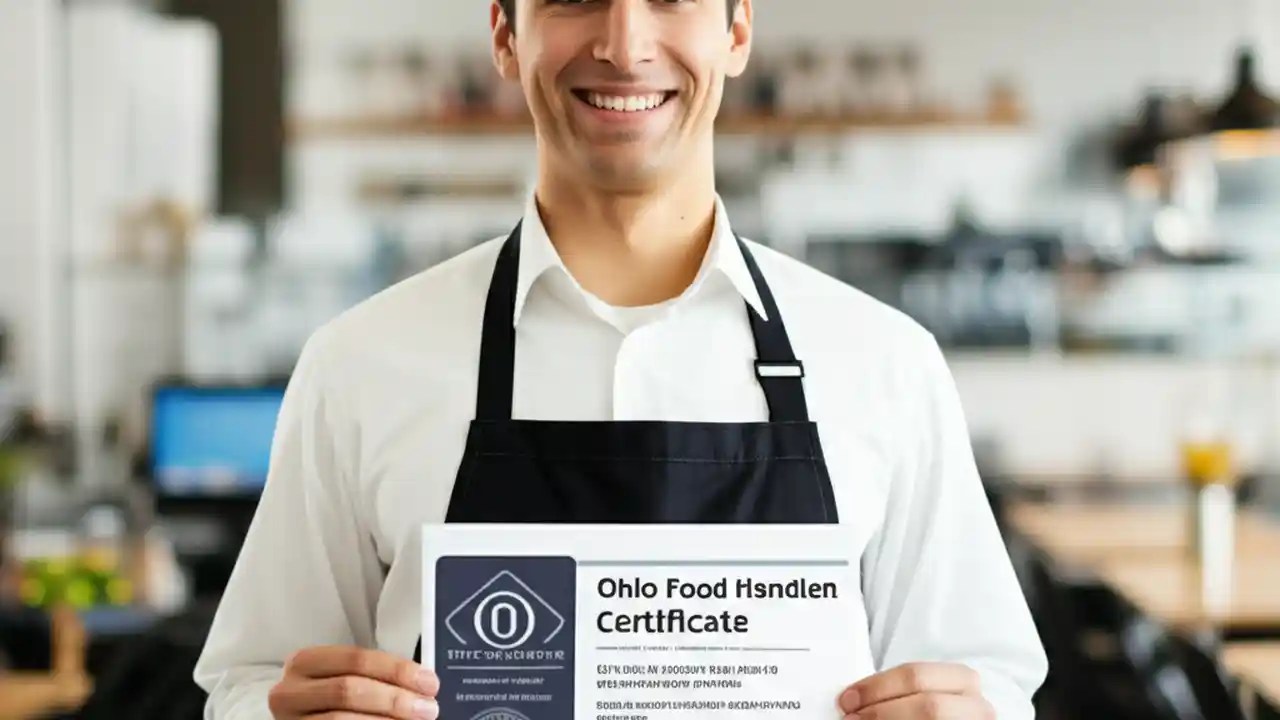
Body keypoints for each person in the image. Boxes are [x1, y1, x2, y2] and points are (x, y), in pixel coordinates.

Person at [195, 0, 1048, 718]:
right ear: (503, 33)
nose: (624, 43)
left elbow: (994, 683)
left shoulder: (886, 363)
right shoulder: (359, 364)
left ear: (738, 30)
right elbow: (247, 681)